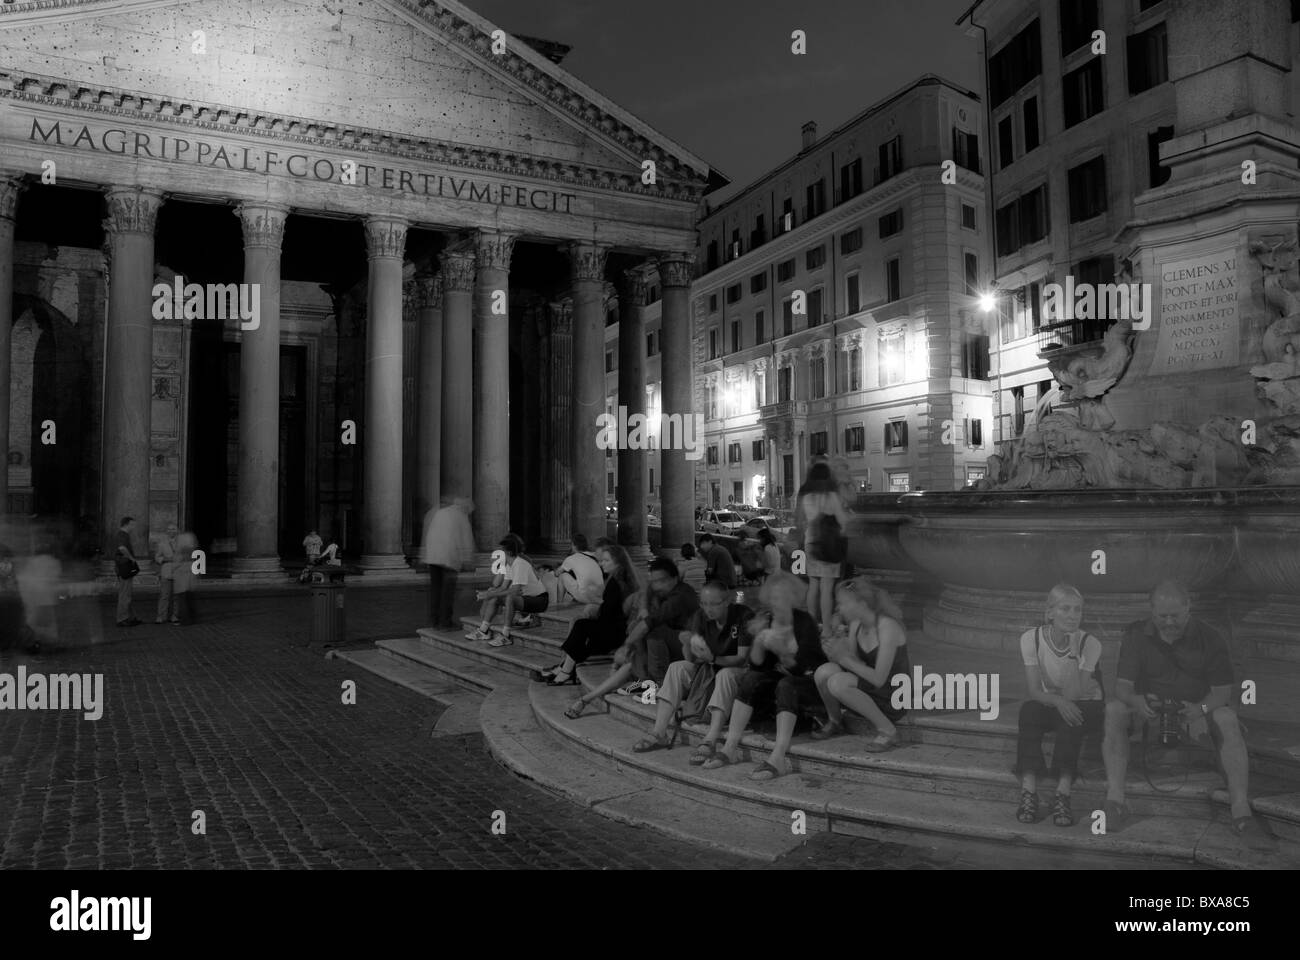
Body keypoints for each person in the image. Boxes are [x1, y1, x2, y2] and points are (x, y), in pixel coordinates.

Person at [1103, 581, 1269, 845]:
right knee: (1114, 710)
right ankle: (1115, 800)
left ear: (1188, 608)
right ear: (1152, 610)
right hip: (1151, 714)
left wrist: (1200, 709)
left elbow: (1222, 692)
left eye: (1175, 616)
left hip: (1196, 712)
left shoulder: (1211, 637)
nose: (1169, 622)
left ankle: (1241, 811)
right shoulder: (1136, 635)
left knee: (1226, 717)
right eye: (1162, 616)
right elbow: (1121, 687)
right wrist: (1137, 700)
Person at [702, 571, 827, 780]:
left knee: (787, 684)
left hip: (809, 684)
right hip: (780, 682)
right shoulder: (768, 620)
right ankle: (730, 747)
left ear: (793, 599)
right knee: (751, 679)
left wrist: (783, 651)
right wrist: (759, 640)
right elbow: (758, 666)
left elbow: (803, 667)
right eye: (774, 597)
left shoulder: (805, 622)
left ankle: (778, 757)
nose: (777, 602)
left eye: (783, 597)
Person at [1010, 583, 1103, 827]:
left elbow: (1074, 693)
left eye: (1078, 610)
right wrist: (1058, 700)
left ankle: (1063, 793)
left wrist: (1073, 652)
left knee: (1071, 716)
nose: (1073, 615)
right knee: (1029, 711)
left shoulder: (1090, 644)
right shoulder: (1030, 639)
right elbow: (1033, 691)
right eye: (1065, 609)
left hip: (1086, 703)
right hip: (1052, 700)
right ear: (1050, 612)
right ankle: (1028, 790)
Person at [564, 558, 698, 718]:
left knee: (651, 633)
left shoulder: (680, 596)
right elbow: (646, 595)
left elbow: (647, 625)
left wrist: (626, 646)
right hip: (665, 650)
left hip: (687, 651)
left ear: (675, 579)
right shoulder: (660, 590)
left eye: (662, 581)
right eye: (654, 581)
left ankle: (658, 686)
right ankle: (586, 699)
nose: (657, 586)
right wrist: (644, 608)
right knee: (631, 660)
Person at [630, 581, 752, 756]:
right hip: (709, 667)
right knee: (677, 667)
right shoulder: (701, 617)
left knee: (725, 674)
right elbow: (691, 659)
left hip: (737, 670)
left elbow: (742, 658)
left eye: (714, 604)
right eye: (704, 604)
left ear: (726, 601)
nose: (708, 609)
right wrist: (688, 644)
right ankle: (659, 732)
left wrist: (713, 658)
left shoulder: (743, 616)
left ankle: (711, 737)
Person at [811, 577, 911, 752]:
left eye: (842, 603)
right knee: (823, 672)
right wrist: (835, 651)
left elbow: (879, 679)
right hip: (872, 686)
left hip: (893, 694)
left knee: (837, 682)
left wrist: (845, 660)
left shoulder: (887, 627)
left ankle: (888, 731)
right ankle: (835, 721)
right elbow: (856, 664)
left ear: (861, 604)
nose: (838, 608)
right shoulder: (856, 625)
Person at [533, 544, 640, 686]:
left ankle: (565, 670)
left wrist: (597, 612)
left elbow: (611, 612)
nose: (601, 563)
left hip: (616, 633)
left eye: (606, 560)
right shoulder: (620, 578)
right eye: (602, 560)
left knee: (582, 626)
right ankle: (565, 668)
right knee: (581, 624)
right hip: (614, 627)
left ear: (618, 562)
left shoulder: (617, 582)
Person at [796, 462, 850, 632]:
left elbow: (801, 520)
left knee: (813, 585)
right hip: (828, 543)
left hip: (810, 541)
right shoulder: (831, 496)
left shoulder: (806, 496)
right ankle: (826, 628)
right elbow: (843, 521)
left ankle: (812, 625)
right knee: (826, 588)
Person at [466, 537, 549, 646]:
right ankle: (483, 630)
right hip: (525, 598)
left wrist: (489, 594)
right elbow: (503, 587)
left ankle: (506, 636)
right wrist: (488, 594)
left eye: (501, 552)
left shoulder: (520, 564)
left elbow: (514, 590)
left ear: (509, 552)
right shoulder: (510, 565)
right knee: (495, 597)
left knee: (510, 598)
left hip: (540, 600)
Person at [421, 497, 476, 630]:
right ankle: (445, 622)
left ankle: (434, 621)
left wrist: (424, 555)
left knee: (436, 591)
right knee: (447, 593)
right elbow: (466, 539)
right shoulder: (460, 516)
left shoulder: (439, 513)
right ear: (466, 508)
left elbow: (428, 533)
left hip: (433, 558)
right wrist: (468, 559)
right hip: (449, 560)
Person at [557, 533, 604, 607]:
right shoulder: (595, 555)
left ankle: (558, 605)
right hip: (599, 596)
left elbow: (557, 573)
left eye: (571, 545)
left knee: (562, 576)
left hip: (586, 597)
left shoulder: (571, 558)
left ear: (574, 545)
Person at [113, 516, 141, 627]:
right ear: (126, 524)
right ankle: (122, 619)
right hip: (124, 566)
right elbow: (122, 548)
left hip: (123, 566)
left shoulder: (123, 535)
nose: (134, 527)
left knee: (127, 593)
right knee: (125, 594)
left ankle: (129, 617)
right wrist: (132, 558)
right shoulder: (122, 535)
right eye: (132, 524)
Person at [172, 530, 200, 625]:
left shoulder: (182, 551)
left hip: (182, 575)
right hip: (190, 574)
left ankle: (185, 620)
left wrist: (173, 568)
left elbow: (178, 561)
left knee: (182, 599)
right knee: (190, 598)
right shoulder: (192, 551)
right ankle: (192, 618)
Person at [153, 522, 178, 624]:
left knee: (176, 597)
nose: (171, 531)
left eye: (173, 529)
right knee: (164, 596)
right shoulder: (161, 543)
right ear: (166, 531)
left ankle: (175, 616)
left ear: (177, 531)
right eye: (169, 529)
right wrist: (165, 559)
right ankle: (161, 616)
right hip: (166, 572)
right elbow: (157, 557)